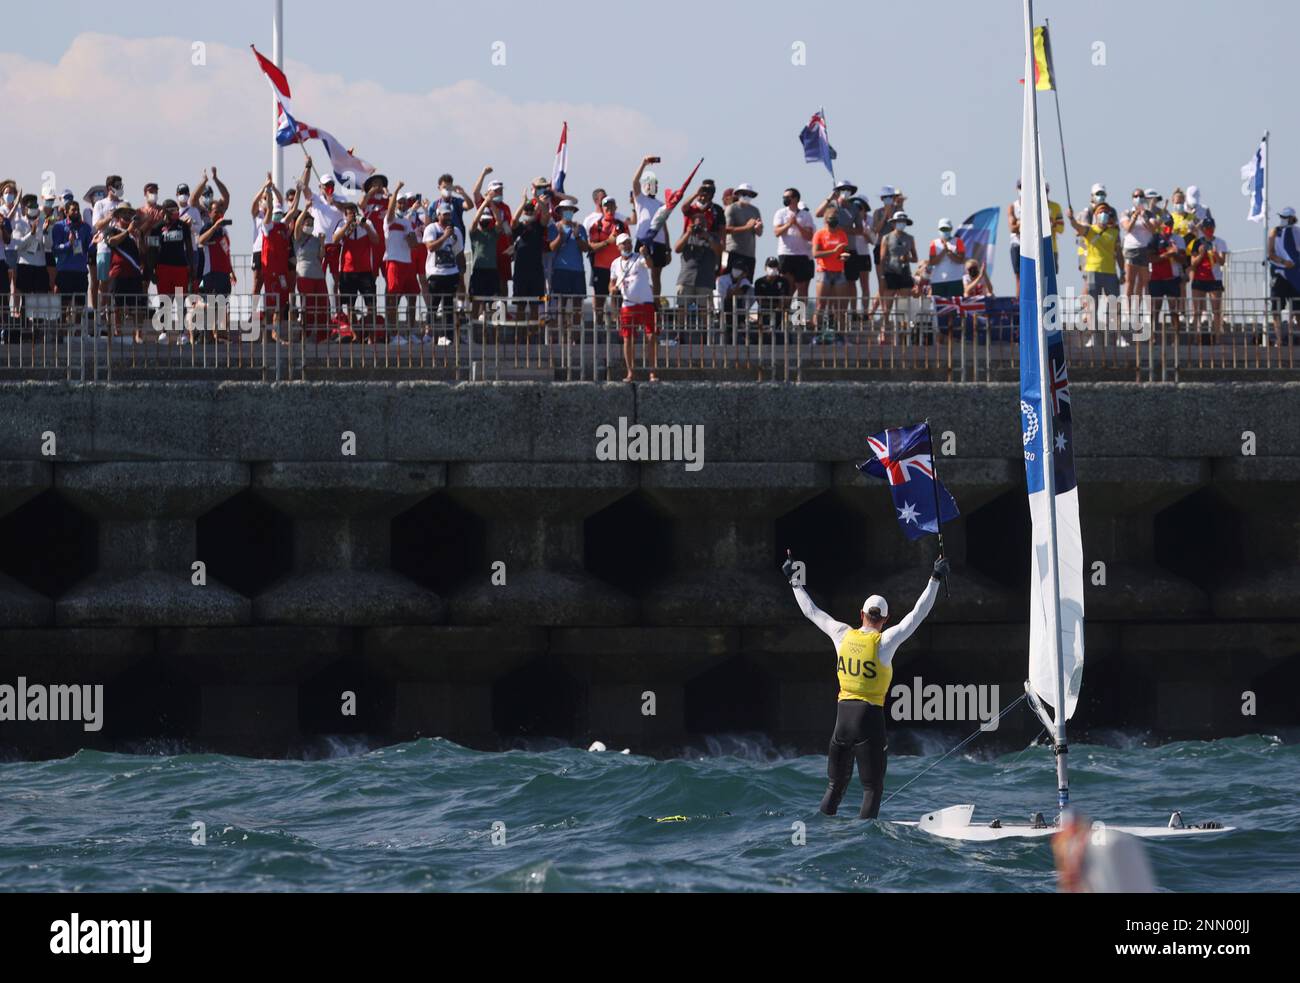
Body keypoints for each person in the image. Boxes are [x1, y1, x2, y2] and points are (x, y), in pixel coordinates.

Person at [784, 550, 950, 818]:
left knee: (834, 785)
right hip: (869, 720)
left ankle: (821, 835)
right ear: (884, 619)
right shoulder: (885, 642)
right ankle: (864, 842)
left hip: (842, 720)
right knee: (872, 789)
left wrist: (793, 577)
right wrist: (935, 577)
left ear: (860, 614)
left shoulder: (840, 634)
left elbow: (810, 611)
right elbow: (917, 614)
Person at [1068, 202, 1123, 347]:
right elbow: (1077, 227)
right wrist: (1072, 219)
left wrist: (1122, 271)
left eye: (1106, 211)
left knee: (1114, 305)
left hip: (1110, 272)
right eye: (1100, 211)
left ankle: (1118, 336)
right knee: (1092, 306)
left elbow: (1119, 254)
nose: (1103, 214)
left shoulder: (1115, 232)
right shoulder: (1090, 230)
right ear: (1095, 215)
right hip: (1093, 271)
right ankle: (1092, 336)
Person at [609, 233, 658, 382]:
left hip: (646, 303)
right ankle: (630, 372)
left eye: (629, 242)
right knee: (627, 339)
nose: (627, 245)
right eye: (624, 243)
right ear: (618, 246)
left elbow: (649, 265)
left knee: (651, 337)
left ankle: (652, 372)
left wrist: (646, 255)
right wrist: (612, 289)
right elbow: (611, 283)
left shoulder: (639, 257)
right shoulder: (615, 263)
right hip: (627, 305)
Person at [333, 202, 381, 341]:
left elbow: (376, 240)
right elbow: (335, 240)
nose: (352, 215)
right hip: (348, 270)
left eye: (354, 213)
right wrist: (347, 224)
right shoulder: (341, 224)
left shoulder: (367, 223)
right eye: (349, 213)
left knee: (371, 305)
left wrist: (365, 226)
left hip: (365, 270)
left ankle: (372, 336)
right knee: (349, 305)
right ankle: (356, 335)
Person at [152, 198, 194, 343]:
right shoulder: (157, 228)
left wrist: (191, 267)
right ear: (165, 212)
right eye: (173, 211)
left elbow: (189, 247)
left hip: (180, 267)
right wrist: (151, 269)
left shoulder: (183, 226)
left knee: (180, 300)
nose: (176, 213)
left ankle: (182, 332)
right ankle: (164, 331)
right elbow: (152, 250)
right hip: (163, 267)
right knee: (165, 300)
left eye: (177, 210)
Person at [382, 181, 420, 342]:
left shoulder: (408, 221)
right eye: (399, 202)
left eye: (404, 202)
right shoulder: (389, 219)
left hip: (408, 263)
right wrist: (396, 190)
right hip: (394, 262)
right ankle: (393, 333)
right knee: (393, 298)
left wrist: (411, 236)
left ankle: (411, 332)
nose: (402, 205)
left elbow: (414, 245)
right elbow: (390, 211)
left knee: (412, 297)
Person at [548, 199, 589, 339]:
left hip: (577, 271)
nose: (568, 212)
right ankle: (561, 337)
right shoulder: (554, 227)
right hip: (560, 270)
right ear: (559, 212)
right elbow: (551, 248)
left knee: (578, 305)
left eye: (571, 210)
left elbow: (585, 248)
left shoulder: (580, 228)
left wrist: (577, 236)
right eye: (565, 209)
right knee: (561, 305)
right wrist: (560, 236)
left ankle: (575, 338)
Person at [423, 202, 464, 344]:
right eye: (445, 214)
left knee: (448, 306)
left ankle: (446, 336)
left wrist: (461, 271)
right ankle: (428, 334)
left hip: (451, 272)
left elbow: (459, 252)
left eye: (449, 214)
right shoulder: (431, 228)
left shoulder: (456, 231)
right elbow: (430, 247)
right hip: (435, 272)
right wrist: (445, 236)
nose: (447, 217)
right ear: (438, 215)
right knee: (433, 304)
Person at [631, 156, 671, 298]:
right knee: (638, 271)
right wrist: (644, 164)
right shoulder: (640, 199)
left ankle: (655, 302)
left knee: (656, 274)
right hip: (643, 239)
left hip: (659, 242)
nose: (652, 186)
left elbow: (665, 227)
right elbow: (634, 182)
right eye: (649, 184)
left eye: (654, 184)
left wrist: (668, 249)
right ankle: (639, 298)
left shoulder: (661, 204)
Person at [51, 198, 93, 332]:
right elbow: (56, 249)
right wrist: (70, 244)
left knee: (80, 304)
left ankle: (77, 330)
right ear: (66, 211)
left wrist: (95, 243)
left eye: (77, 209)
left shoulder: (85, 227)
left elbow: (89, 248)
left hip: (80, 270)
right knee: (64, 303)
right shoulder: (59, 226)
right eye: (73, 210)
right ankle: (62, 329)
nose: (76, 212)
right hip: (65, 270)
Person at [588, 195, 628, 332]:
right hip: (600, 267)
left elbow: (628, 243)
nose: (609, 209)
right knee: (600, 299)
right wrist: (607, 242)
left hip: (618, 268)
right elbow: (591, 246)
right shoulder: (596, 225)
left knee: (617, 299)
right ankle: (598, 327)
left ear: (615, 208)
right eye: (607, 206)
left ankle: (618, 327)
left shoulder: (621, 225)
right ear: (602, 208)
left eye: (612, 206)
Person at [878, 211, 918, 339]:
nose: (901, 224)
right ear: (894, 223)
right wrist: (882, 276)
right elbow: (882, 259)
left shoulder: (910, 238)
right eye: (899, 222)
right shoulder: (887, 237)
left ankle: (902, 330)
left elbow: (915, 258)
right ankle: (884, 327)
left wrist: (907, 258)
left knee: (903, 304)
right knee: (887, 304)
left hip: (905, 272)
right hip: (890, 272)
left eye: (903, 222)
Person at [811, 208, 851, 336]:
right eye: (831, 219)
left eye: (835, 218)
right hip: (824, 271)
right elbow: (815, 254)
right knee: (820, 305)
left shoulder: (842, 234)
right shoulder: (820, 234)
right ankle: (817, 333)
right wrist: (833, 252)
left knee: (840, 307)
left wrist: (844, 255)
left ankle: (841, 335)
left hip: (839, 271)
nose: (833, 221)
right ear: (826, 220)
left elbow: (846, 250)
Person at [1188, 218, 1227, 340]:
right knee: (1197, 310)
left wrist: (1215, 254)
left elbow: (1222, 262)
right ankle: (1196, 337)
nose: (1209, 230)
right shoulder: (1197, 242)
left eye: (1211, 228)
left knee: (1216, 309)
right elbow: (1193, 263)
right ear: (1203, 229)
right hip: (1199, 278)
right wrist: (1201, 254)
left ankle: (1218, 336)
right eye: (1207, 228)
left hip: (1214, 279)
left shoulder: (1220, 242)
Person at [773, 188, 815, 301]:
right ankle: (784, 314)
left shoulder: (806, 215)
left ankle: (800, 316)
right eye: (784, 197)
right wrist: (788, 224)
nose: (785, 199)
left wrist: (797, 225)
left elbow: (809, 236)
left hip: (802, 255)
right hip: (786, 254)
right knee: (787, 287)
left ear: (795, 199)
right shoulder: (780, 213)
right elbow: (777, 232)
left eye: (788, 197)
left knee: (802, 288)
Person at [293, 206, 327, 340]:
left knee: (323, 306)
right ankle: (305, 334)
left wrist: (323, 243)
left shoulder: (315, 239)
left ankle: (322, 336)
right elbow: (296, 227)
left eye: (312, 224)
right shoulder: (298, 238)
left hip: (318, 275)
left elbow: (321, 256)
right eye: (307, 224)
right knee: (308, 307)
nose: (310, 226)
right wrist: (305, 210)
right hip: (304, 275)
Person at [1267, 206, 1300, 345]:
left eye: (1285, 217)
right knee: (1276, 309)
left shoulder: (1297, 232)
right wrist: (1283, 262)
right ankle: (1279, 339)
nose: (1282, 220)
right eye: (1281, 217)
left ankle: (1295, 337)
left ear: (1292, 218)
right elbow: (1271, 253)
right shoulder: (1275, 231)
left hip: (1294, 274)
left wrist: (1293, 264)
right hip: (1279, 273)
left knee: (1297, 309)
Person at [723, 183, 763, 283]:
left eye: (750, 194)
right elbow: (725, 229)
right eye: (744, 193)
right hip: (733, 252)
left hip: (749, 254)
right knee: (728, 282)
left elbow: (759, 233)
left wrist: (757, 228)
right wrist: (746, 227)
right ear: (738, 194)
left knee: (746, 284)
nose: (747, 196)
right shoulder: (731, 209)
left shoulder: (755, 210)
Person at [752, 255, 792, 340]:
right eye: (770, 266)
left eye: (775, 266)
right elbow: (760, 301)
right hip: (764, 311)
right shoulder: (759, 282)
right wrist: (774, 304)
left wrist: (779, 306)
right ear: (765, 268)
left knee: (780, 328)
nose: (773, 269)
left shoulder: (783, 282)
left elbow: (784, 299)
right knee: (762, 330)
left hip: (779, 312)